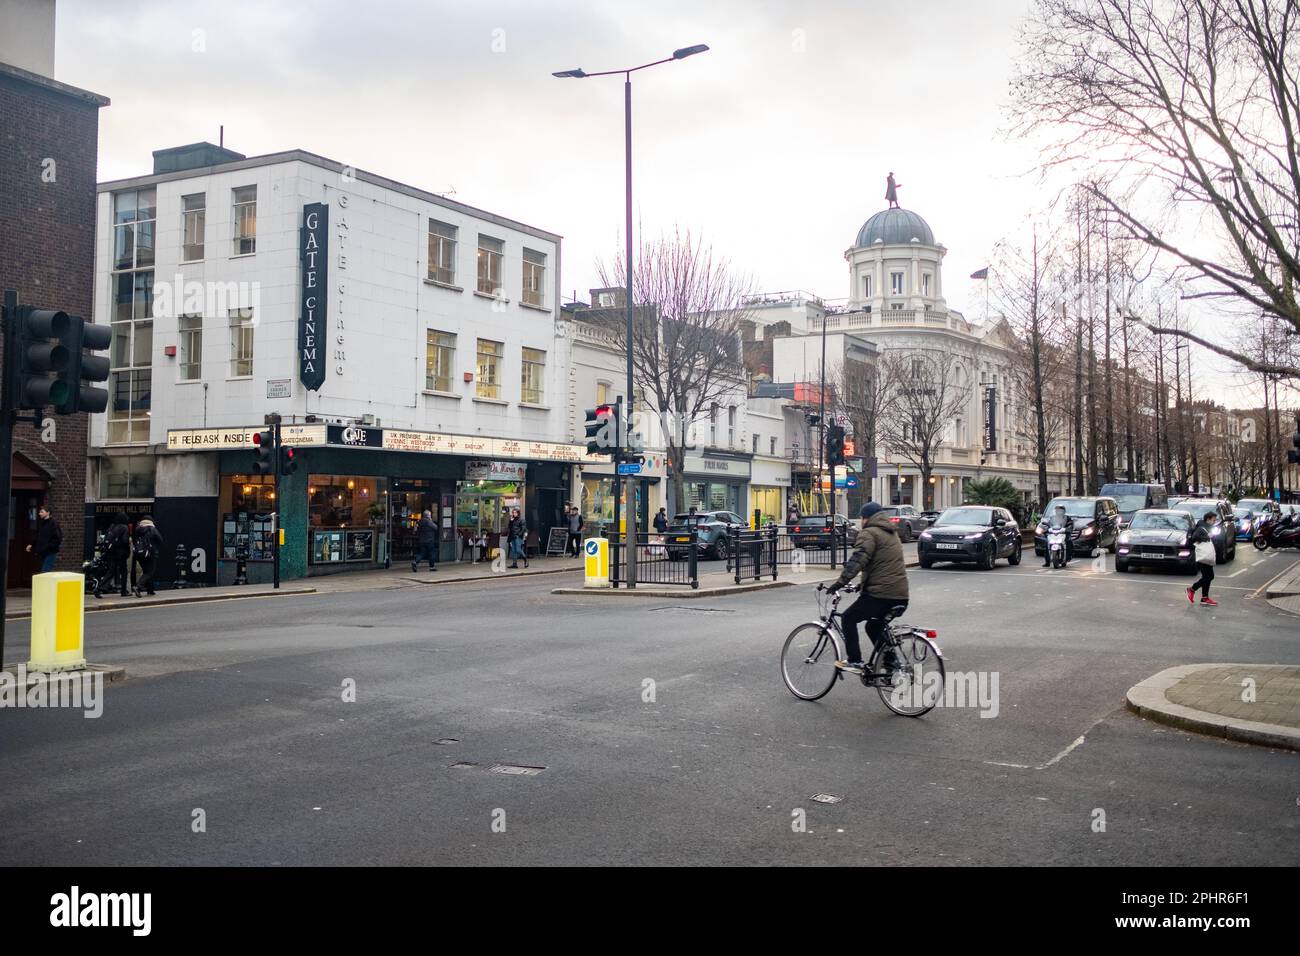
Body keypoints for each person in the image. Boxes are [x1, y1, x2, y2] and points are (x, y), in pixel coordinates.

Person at [827, 502, 909, 674]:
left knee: (848, 618)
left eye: (861, 518)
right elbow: (883, 566)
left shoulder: (869, 533)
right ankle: (891, 663)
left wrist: (840, 582)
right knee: (873, 626)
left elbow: (858, 559)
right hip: (900, 595)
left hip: (881, 595)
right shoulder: (891, 533)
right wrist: (861, 585)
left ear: (866, 518)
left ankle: (854, 660)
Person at [96, 512, 132, 599]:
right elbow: (125, 541)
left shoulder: (111, 527)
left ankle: (99, 588)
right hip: (120, 554)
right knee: (123, 572)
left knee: (111, 571)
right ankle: (123, 591)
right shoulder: (124, 527)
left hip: (111, 553)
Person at [1188, 510, 1219, 606]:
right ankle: (1192, 589)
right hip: (1203, 556)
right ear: (1208, 519)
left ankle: (1204, 598)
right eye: (1213, 520)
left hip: (1206, 555)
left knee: (1208, 576)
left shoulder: (1207, 528)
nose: (1214, 522)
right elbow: (1194, 538)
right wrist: (1207, 537)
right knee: (1209, 576)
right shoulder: (1201, 528)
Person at [130, 515, 164, 597]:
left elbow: (134, 540)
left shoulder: (137, 529)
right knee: (149, 572)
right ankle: (138, 587)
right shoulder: (152, 529)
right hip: (150, 553)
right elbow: (160, 540)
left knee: (146, 571)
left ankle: (150, 590)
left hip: (139, 554)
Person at [27, 505, 62, 574]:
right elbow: (38, 536)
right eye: (40, 512)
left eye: (42, 512)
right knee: (43, 572)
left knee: (45, 571)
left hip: (50, 553)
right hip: (42, 552)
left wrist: (48, 547)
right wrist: (31, 544)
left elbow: (58, 539)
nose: (39, 513)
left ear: (48, 513)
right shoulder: (41, 523)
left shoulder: (53, 524)